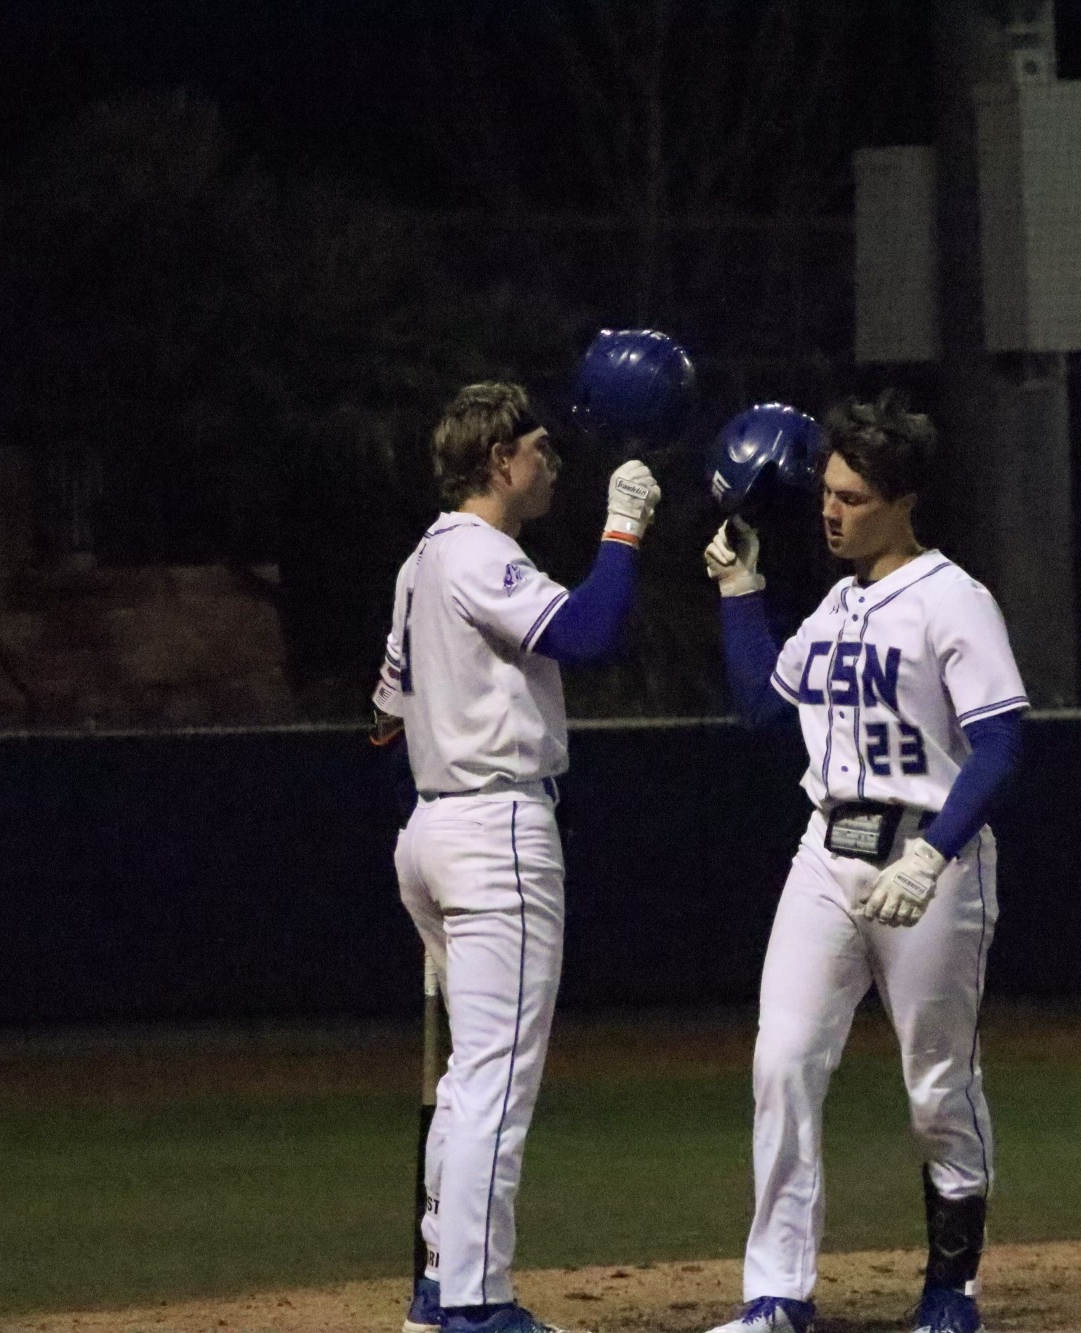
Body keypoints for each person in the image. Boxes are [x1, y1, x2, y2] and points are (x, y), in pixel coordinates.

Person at [700, 391, 1028, 1333]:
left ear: (900, 499)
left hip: (932, 858)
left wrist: (932, 855)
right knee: (784, 1060)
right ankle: (775, 1295)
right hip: (826, 850)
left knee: (936, 1086)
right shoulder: (838, 604)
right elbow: (765, 707)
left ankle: (950, 1290)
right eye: (828, 492)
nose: (829, 509)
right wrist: (740, 594)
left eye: (850, 496)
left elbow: (1003, 742)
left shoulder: (952, 599)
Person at [374, 382, 661, 1333]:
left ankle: (441, 1288)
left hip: (432, 829)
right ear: (500, 459)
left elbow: (383, 711)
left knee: (469, 1078)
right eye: (538, 447)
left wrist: (438, 711)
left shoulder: (422, 560)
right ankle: (480, 1306)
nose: (550, 461)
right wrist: (623, 529)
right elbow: (585, 632)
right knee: (496, 1079)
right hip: (494, 829)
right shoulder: (476, 551)